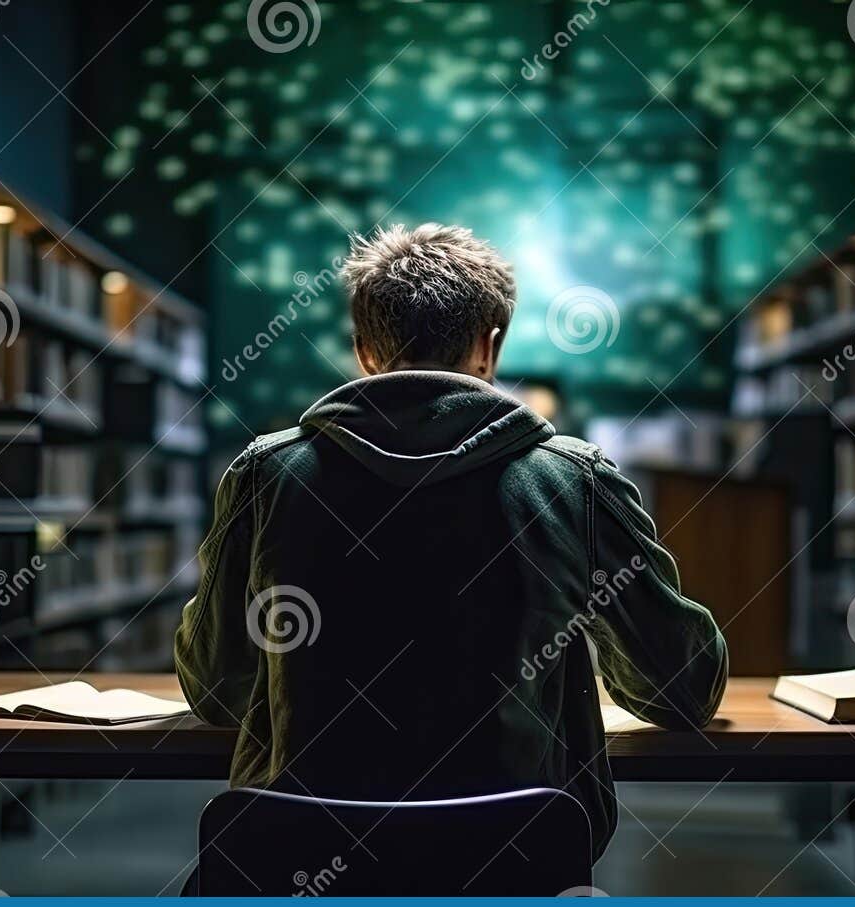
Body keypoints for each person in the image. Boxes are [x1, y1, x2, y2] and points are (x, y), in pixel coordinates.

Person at [174, 223, 727, 868]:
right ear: (490, 349)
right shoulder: (575, 483)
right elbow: (684, 690)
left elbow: (215, 690)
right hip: (516, 871)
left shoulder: (265, 478)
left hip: (299, 876)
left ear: (363, 352)